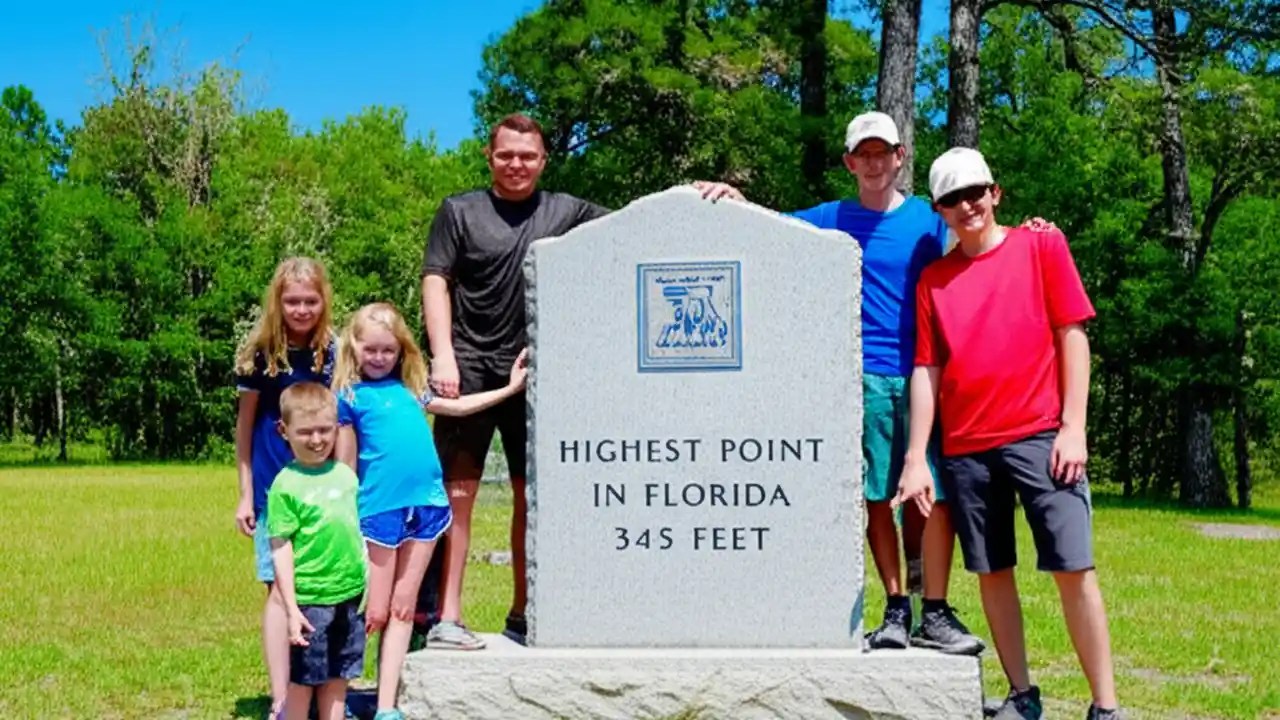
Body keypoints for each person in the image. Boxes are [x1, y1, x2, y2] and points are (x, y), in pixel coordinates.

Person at [694, 111, 983, 655]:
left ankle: (934, 609)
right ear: (850, 163)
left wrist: (1033, 232)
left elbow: (980, 236)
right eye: (863, 155)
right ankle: (896, 607)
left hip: (927, 374)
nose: (874, 164)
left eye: (883, 153)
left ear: (900, 157)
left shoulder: (928, 219)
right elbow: (767, 226)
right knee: (877, 497)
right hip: (865, 378)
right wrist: (732, 197)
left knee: (933, 498)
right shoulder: (831, 217)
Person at [895, 147, 1121, 719]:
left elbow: (1072, 335)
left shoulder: (1041, 246)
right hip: (967, 448)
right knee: (993, 573)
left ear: (995, 193)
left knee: (1073, 569)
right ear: (939, 210)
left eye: (975, 192)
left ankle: (1106, 706)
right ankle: (1022, 696)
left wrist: (1074, 427)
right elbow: (927, 369)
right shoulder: (933, 280)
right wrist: (917, 456)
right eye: (952, 199)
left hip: (1043, 438)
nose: (966, 206)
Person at [419, 113, 608, 649]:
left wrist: (698, 194)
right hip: (468, 369)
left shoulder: (566, 211)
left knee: (533, 497)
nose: (516, 164)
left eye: (527, 156)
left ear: (544, 160)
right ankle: (446, 616)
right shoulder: (459, 211)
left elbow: (635, 226)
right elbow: (435, 279)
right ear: (489, 156)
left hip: (535, 372)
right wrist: (443, 356)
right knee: (456, 495)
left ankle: (525, 613)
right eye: (506, 155)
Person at [331, 303, 528, 718]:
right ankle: (337, 696)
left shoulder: (410, 389)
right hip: (379, 513)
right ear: (354, 347)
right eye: (371, 349)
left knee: (404, 608)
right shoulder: (348, 397)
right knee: (375, 611)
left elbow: (456, 407)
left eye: (388, 350)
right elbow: (346, 466)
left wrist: (510, 390)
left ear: (401, 350)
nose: (379, 357)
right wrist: (341, 513)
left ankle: (387, 707)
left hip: (427, 509)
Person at [233, 257, 337, 715]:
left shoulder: (332, 352)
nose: (301, 309)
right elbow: (244, 427)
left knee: (321, 593)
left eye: (310, 301)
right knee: (280, 591)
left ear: (323, 300)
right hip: (273, 492)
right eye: (292, 301)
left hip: (324, 491)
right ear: (278, 301)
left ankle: (316, 689)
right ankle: (282, 697)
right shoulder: (261, 354)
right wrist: (245, 494)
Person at [266, 382, 366, 720]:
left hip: (350, 596)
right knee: (303, 681)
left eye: (325, 430)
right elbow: (280, 547)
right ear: (284, 431)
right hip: (311, 602)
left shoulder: (346, 477)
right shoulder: (285, 486)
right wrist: (292, 608)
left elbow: (356, 534)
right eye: (305, 432)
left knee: (339, 676)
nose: (317, 440)